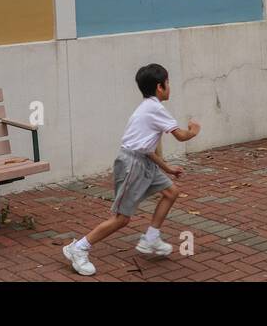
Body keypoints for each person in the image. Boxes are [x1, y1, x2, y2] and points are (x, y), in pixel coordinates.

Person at [62, 63, 200, 276]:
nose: (169, 86)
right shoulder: (155, 108)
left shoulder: (147, 107)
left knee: (171, 192)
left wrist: (168, 169)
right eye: (168, 83)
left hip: (144, 160)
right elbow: (180, 136)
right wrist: (193, 131)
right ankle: (78, 248)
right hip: (132, 164)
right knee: (122, 218)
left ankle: (151, 237)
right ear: (159, 87)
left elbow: (147, 148)